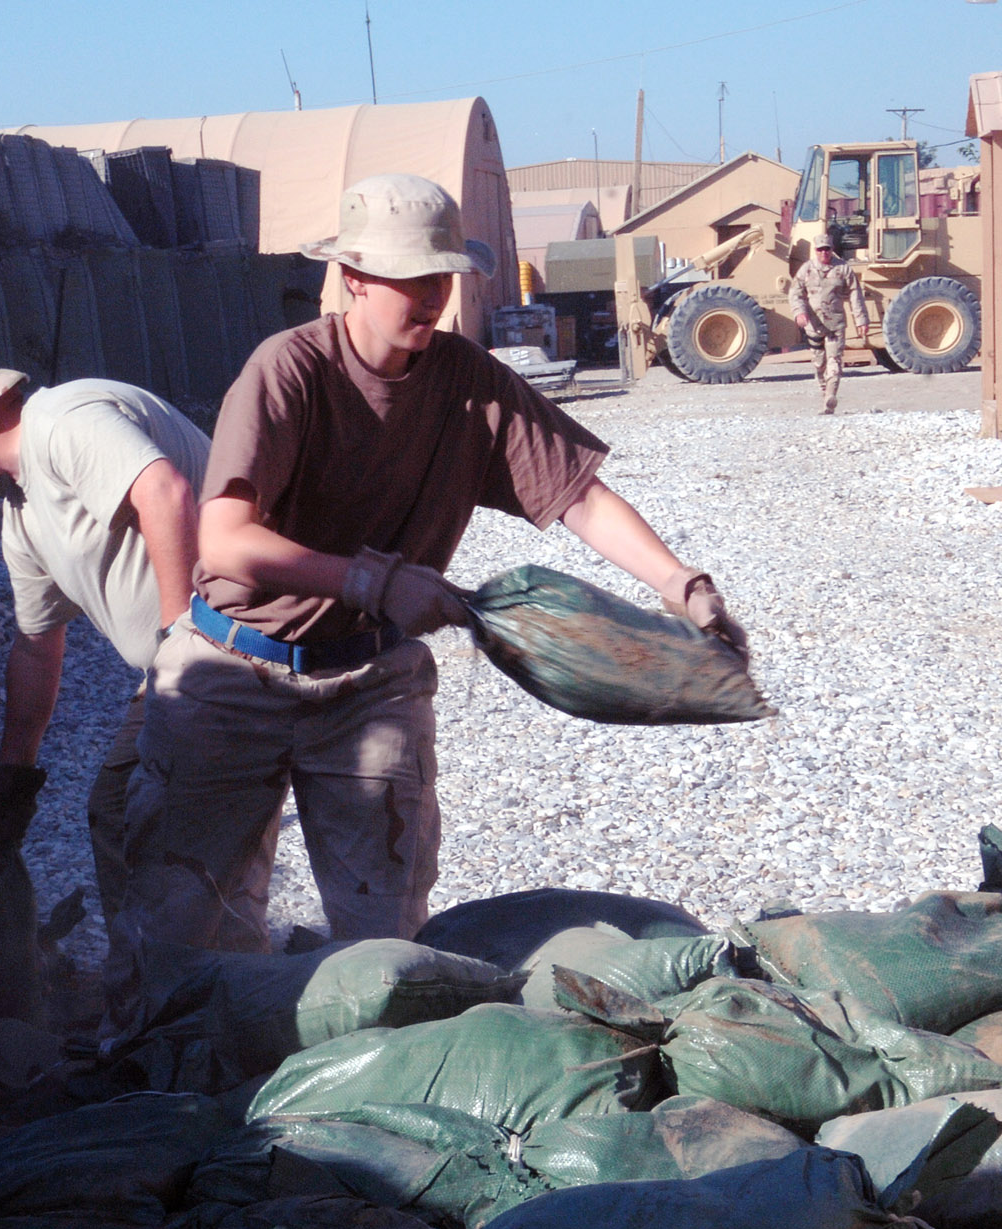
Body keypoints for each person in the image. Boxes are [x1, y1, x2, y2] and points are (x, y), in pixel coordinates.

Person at [111, 173, 748, 994]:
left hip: (370, 684)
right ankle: (167, 1091)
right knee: (188, 926)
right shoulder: (289, 372)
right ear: (353, 278)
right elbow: (224, 538)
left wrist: (681, 583)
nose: (433, 298)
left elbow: (578, 495)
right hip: (230, 674)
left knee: (389, 946)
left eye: (442, 278)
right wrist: (373, 581)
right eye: (412, 280)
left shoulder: (468, 383)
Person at [0, 332, 269, 923]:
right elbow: (38, 646)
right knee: (119, 813)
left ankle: (212, 984)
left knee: (199, 848)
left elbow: (165, 492)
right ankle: (147, 984)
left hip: (241, 645)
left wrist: (179, 641)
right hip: (188, 665)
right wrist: (12, 778)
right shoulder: (21, 514)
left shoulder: (61, 419)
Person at [790, 237, 870, 415]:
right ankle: (824, 393)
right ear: (815, 251)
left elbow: (855, 295)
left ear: (832, 249)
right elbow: (795, 293)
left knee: (834, 360)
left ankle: (831, 396)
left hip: (835, 324)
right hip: (814, 325)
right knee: (819, 363)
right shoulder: (807, 270)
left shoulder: (843, 269)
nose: (824, 253)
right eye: (820, 250)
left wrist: (861, 320)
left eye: (827, 249)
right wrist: (799, 312)